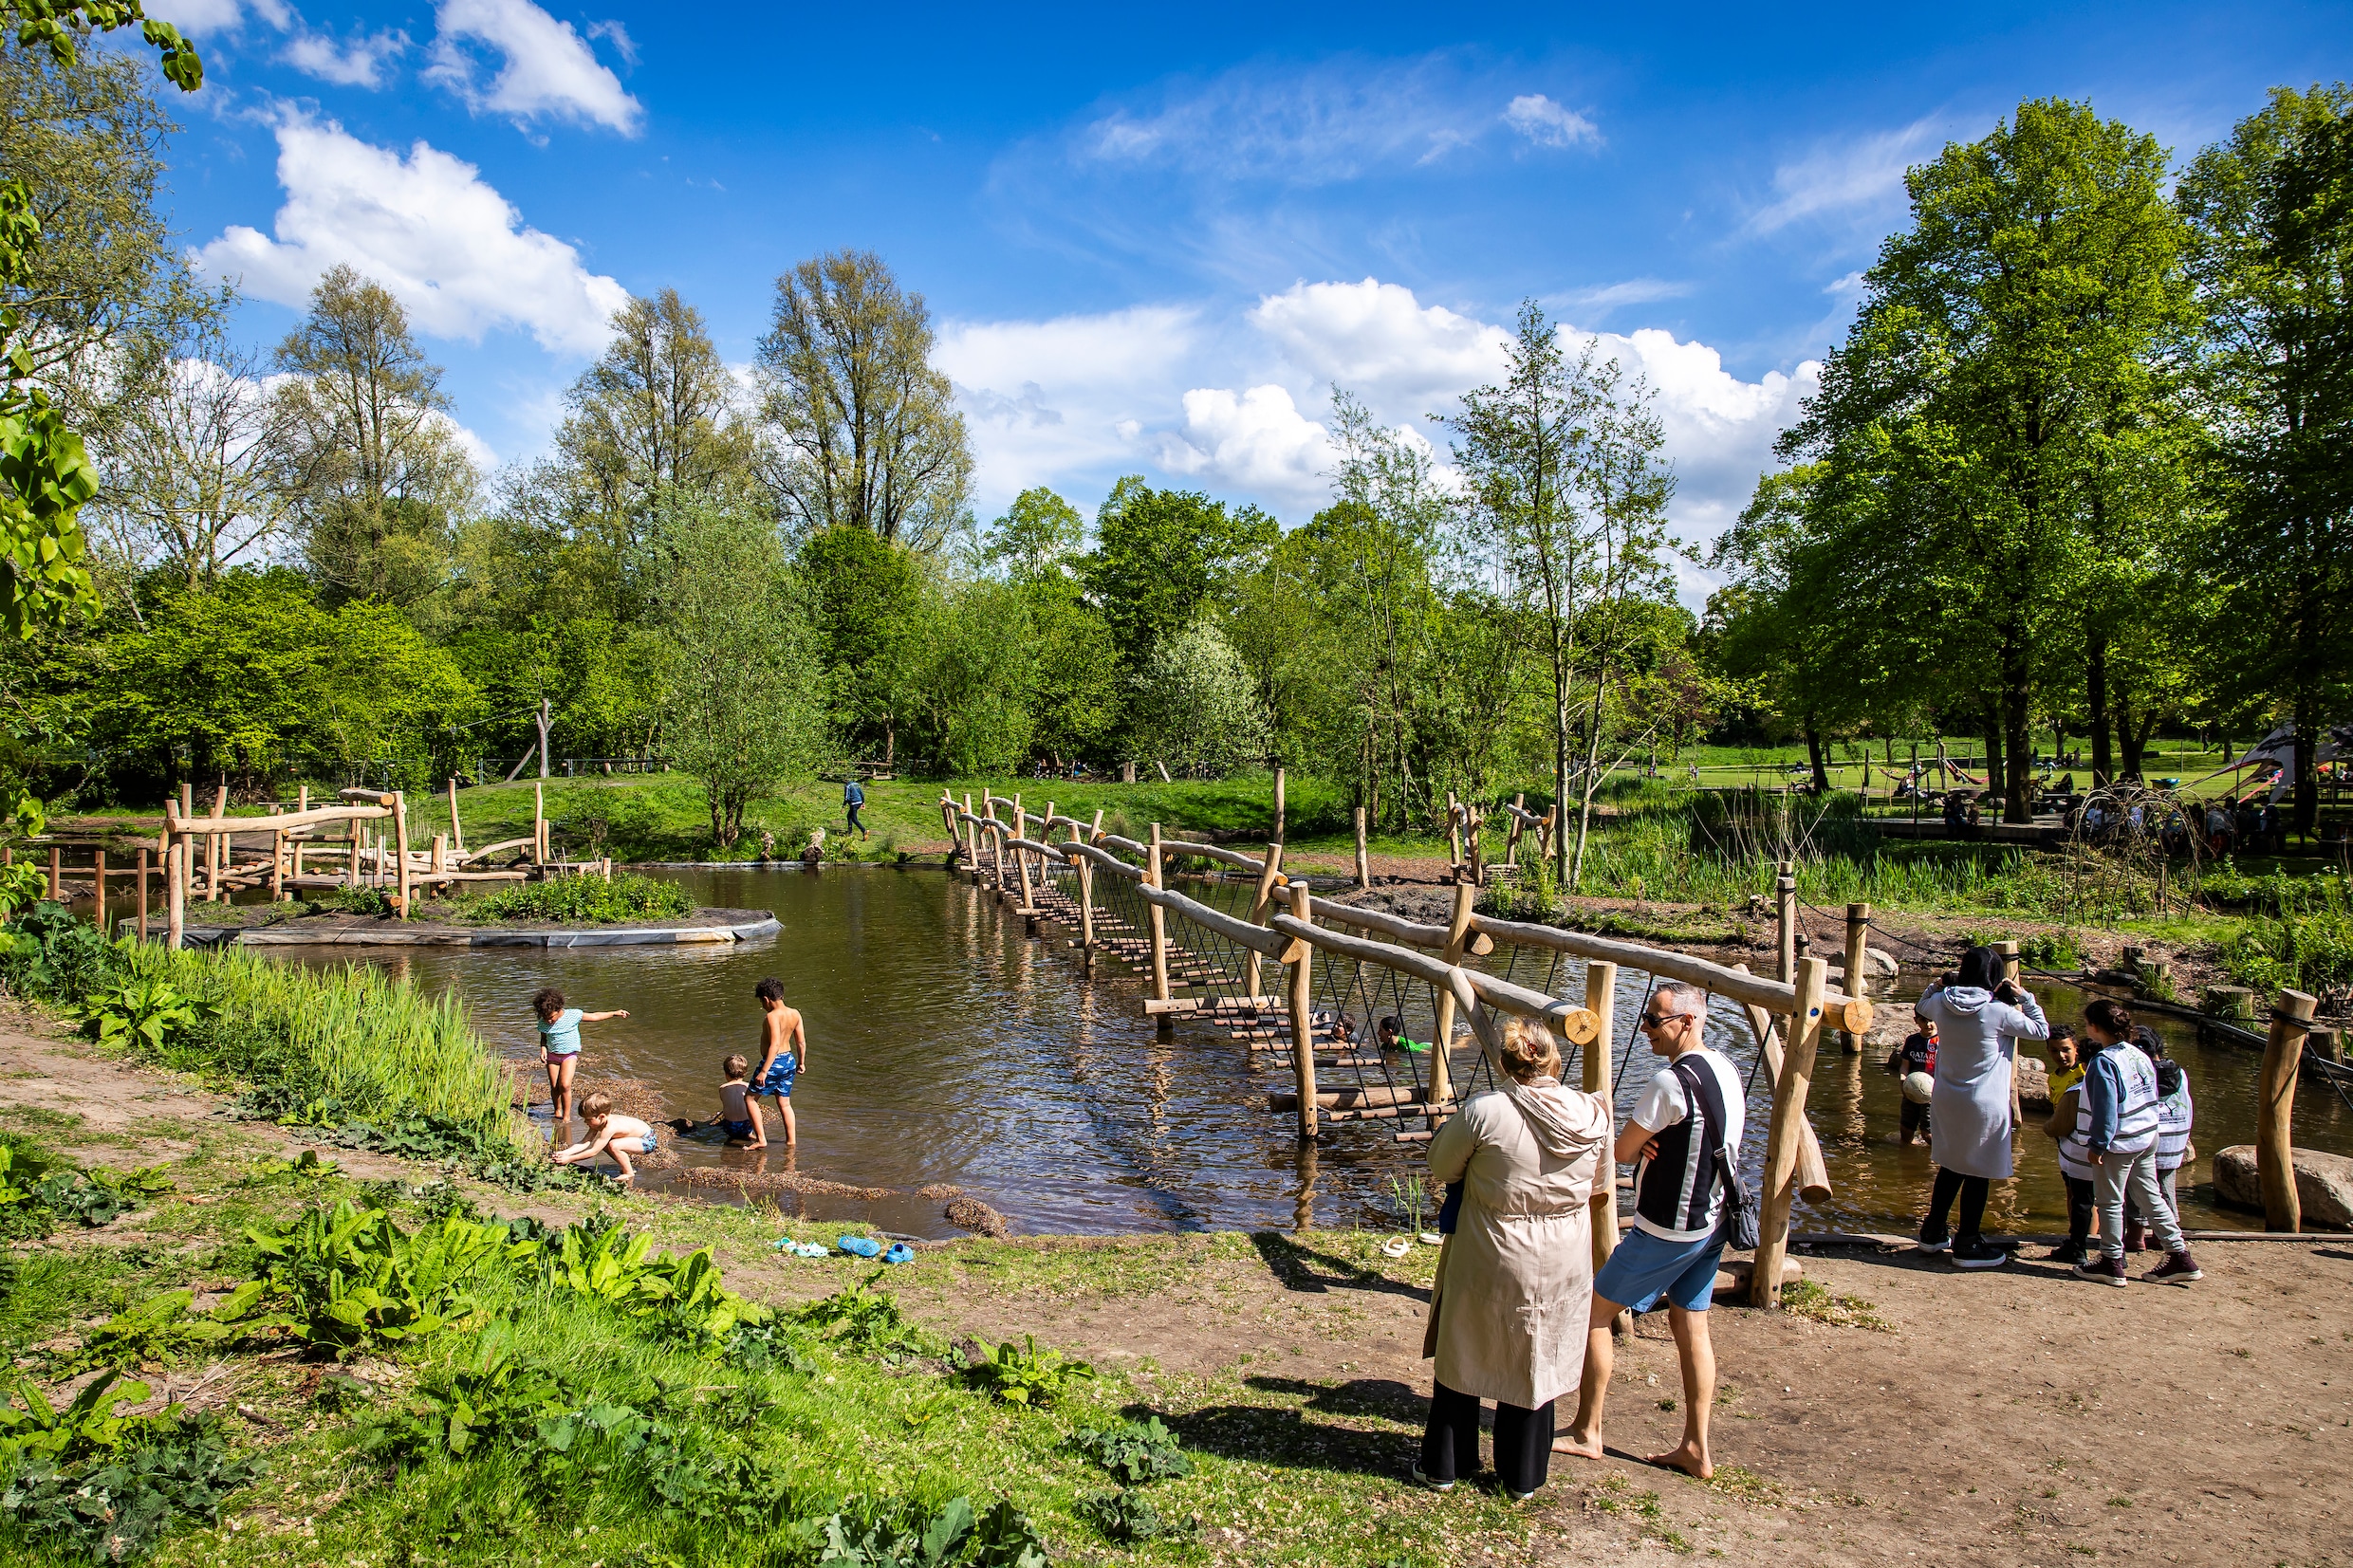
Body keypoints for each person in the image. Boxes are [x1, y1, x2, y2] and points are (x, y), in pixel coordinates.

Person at [1414, 1018, 1610, 1501]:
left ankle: (1447, 1463)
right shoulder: (1592, 1112)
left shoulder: (1487, 1111)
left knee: (1465, 1345)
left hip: (1493, 1248)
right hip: (1563, 1255)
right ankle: (1522, 1474)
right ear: (1554, 1060)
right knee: (1537, 1357)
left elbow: (1439, 1165)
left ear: (1503, 1063)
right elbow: (1601, 1187)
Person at [1559, 982, 1742, 1481]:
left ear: (1688, 1021)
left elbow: (1621, 1151)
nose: (1646, 1032)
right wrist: (1655, 1143)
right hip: (1712, 1220)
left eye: (1655, 1022)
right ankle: (1696, 1447)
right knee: (1691, 1325)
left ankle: (1586, 1431)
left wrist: (1644, 1145)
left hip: (1668, 1227)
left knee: (1592, 1315)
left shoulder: (1668, 1084)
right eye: (1644, 1020)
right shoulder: (1726, 1068)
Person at [1913, 946, 2047, 1268]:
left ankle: (1932, 1232)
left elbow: (1922, 1005)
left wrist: (1939, 983)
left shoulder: (1943, 1003)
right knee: (1978, 1171)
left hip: (1946, 1098)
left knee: (1950, 1164)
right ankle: (1968, 1242)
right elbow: (2041, 1031)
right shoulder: (1998, 1011)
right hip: (1984, 1102)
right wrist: (2025, 996)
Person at [2068, 1000, 2202, 1286]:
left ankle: (2111, 1260)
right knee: (2150, 1196)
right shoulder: (2138, 1053)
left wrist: (2098, 1145)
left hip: (2120, 1142)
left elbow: (2105, 1109)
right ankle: (2179, 1254)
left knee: (2109, 1201)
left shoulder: (2103, 1062)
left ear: (2094, 1027)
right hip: (2147, 1137)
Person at [2124, 1029, 2195, 1251]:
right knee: (2165, 1187)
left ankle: (2136, 1237)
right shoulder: (2180, 1073)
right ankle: (2165, 1233)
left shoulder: (2139, 1073)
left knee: (2136, 1187)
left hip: (2148, 1139)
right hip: (2175, 1141)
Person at [531, 987, 627, 1142]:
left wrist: (614, 1013)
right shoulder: (544, 1022)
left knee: (565, 1085)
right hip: (552, 1056)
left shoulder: (573, 1015)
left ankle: (567, 1115)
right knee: (554, 1086)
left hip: (569, 1055)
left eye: (552, 1017)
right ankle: (557, 1110)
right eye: (546, 1018)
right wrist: (543, 1049)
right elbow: (544, 1038)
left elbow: (595, 1016)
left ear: (559, 1008)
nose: (549, 1021)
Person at [2043, 1030, 2095, 1264]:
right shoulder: (2053, 1077)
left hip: (2082, 1136)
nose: (2061, 1055)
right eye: (2054, 1051)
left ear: (2076, 1049)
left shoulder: (2084, 1072)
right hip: (2063, 1136)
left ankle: (2091, 1238)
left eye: (2066, 1050)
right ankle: (2074, 1231)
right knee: (2070, 1190)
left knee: (2086, 1194)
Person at [750, 976, 807, 1146]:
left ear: (766, 1000)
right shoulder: (795, 1013)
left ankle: (761, 1139)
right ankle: (791, 1141)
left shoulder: (771, 1016)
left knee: (750, 1099)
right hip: (789, 1060)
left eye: (762, 1002)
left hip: (773, 1062)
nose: (763, 1006)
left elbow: (774, 1044)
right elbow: (801, 1042)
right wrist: (801, 1062)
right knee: (784, 1103)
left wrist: (764, 1070)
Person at [551, 1091, 658, 1181]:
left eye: (588, 1119)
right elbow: (584, 1142)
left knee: (613, 1145)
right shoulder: (598, 1122)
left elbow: (594, 1151)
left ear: (601, 1116)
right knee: (606, 1144)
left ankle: (629, 1173)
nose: (585, 1122)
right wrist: (564, 1153)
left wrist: (570, 1159)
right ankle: (626, 1167)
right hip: (637, 1138)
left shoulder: (610, 1126)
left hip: (647, 1140)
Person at [1885, 1006, 1937, 1145]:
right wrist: (1903, 1079)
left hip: (1934, 1095)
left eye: (1931, 1020)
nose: (1928, 1024)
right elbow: (1904, 1065)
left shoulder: (1943, 1042)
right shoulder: (1912, 1040)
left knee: (1928, 1135)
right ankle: (1908, 1161)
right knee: (1906, 1133)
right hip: (1911, 1090)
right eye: (1923, 1020)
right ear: (1916, 1021)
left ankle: (1936, 1162)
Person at [713, 1054, 766, 1147]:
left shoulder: (722, 1088)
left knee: (725, 1124)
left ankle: (732, 1138)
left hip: (730, 1127)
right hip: (746, 1125)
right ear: (745, 1073)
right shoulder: (748, 1087)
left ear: (726, 1073)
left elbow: (725, 1103)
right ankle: (751, 1136)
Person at [843, 776, 870, 840]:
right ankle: (850, 832)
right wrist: (863, 803)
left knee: (854, 819)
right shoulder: (857, 784)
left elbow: (846, 798)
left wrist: (843, 806)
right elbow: (862, 794)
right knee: (849, 816)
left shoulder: (848, 786)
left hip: (853, 803)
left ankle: (864, 830)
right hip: (859, 802)